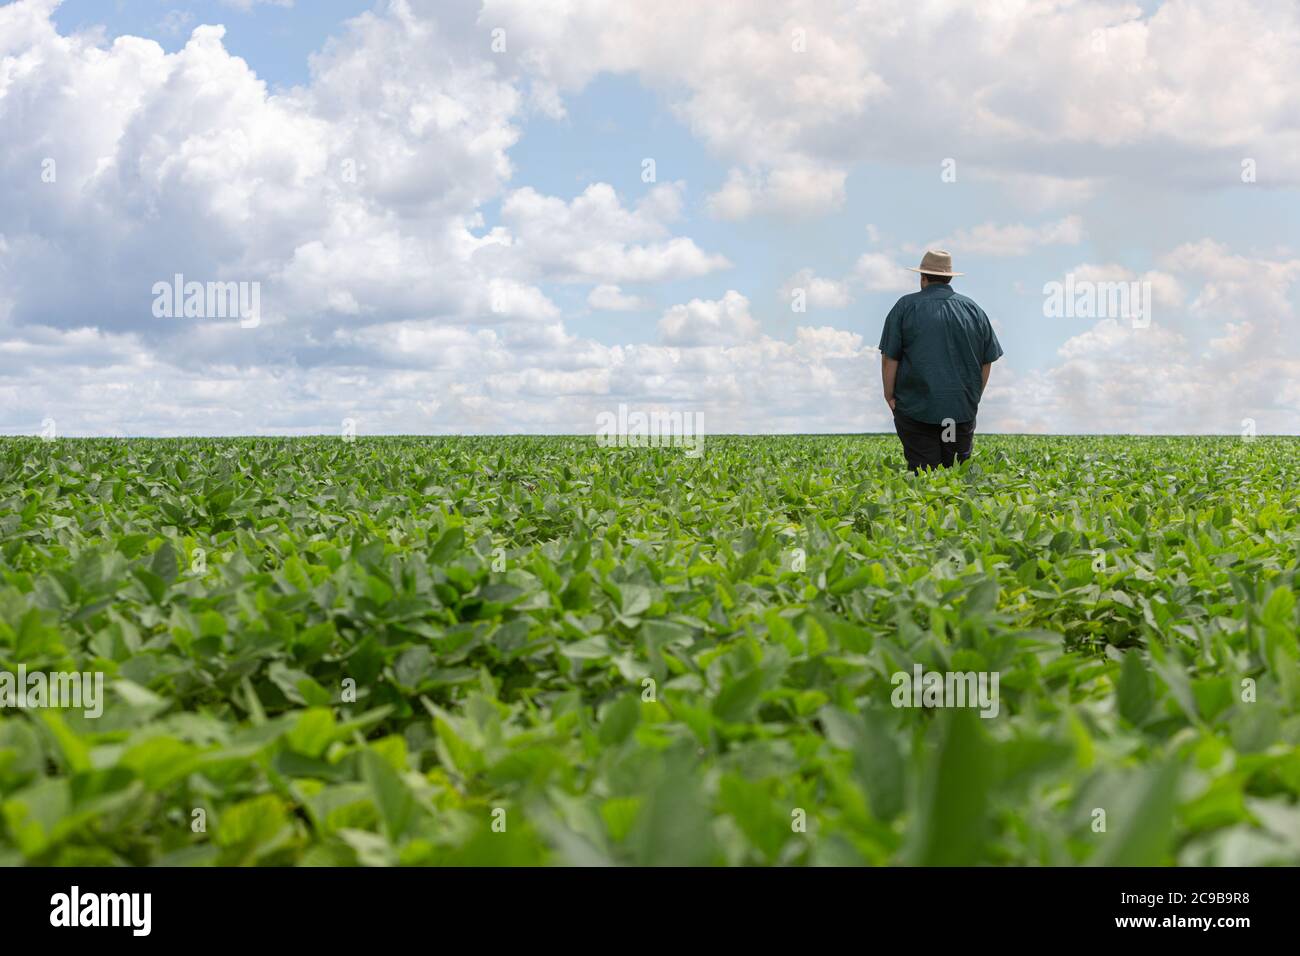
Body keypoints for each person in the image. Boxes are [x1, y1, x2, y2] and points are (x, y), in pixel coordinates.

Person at [878, 250, 1002, 473]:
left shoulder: (905, 307)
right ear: (950, 277)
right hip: (957, 414)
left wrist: (889, 395)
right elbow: (987, 361)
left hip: (917, 409)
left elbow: (890, 358)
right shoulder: (974, 310)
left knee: (924, 475)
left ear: (923, 277)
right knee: (954, 473)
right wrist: (973, 397)